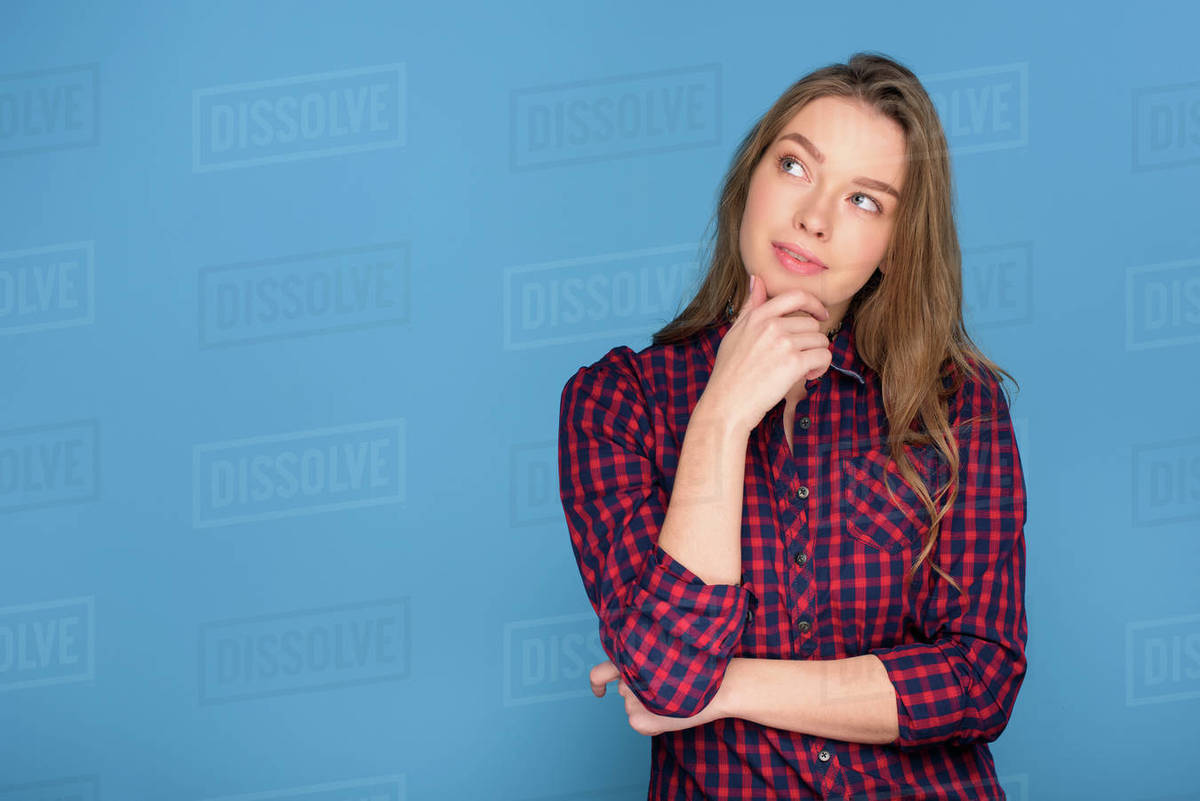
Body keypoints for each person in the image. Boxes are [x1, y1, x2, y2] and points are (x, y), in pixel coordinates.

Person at [557, 52, 1028, 800]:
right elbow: (672, 678)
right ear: (750, 179)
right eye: (796, 166)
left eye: (864, 200)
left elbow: (979, 679)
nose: (815, 217)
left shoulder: (958, 405)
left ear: (896, 246)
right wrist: (721, 416)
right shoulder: (617, 404)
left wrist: (729, 686)